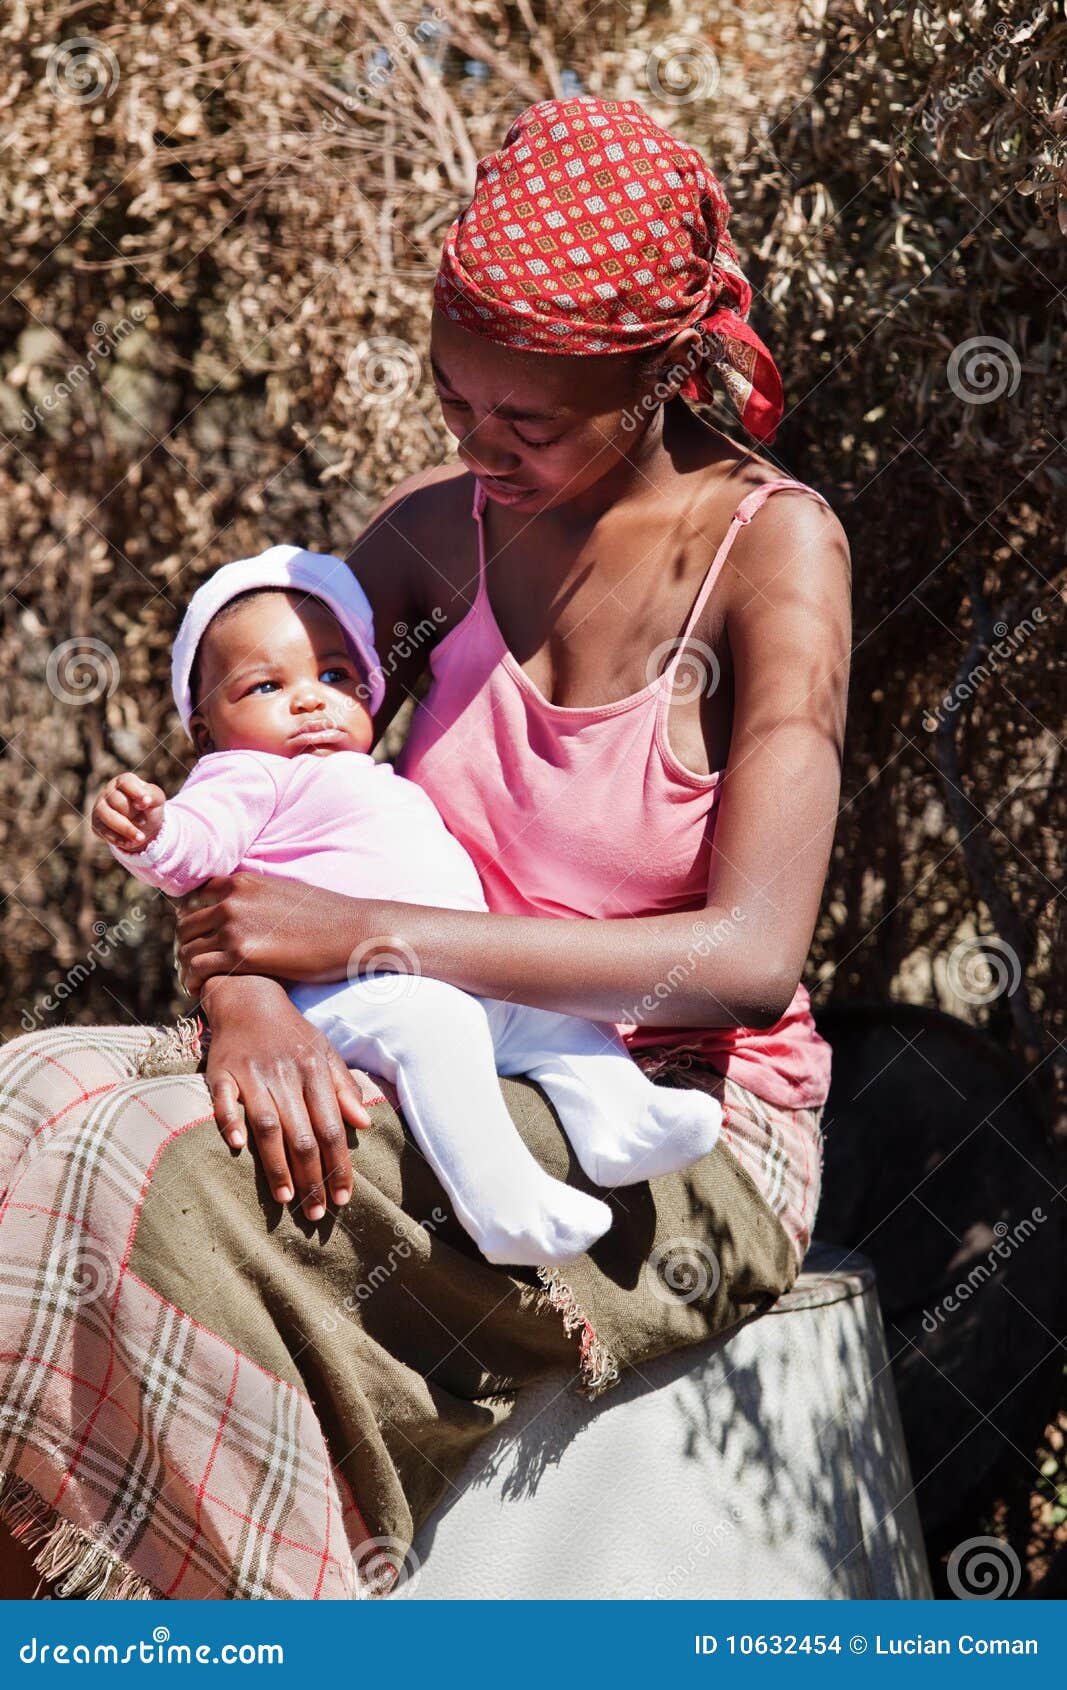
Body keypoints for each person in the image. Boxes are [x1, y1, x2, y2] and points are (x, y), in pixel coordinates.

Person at [0, 95, 850, 1600]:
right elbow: (253, 797)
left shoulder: (769, 552)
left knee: (175, 1180)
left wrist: (360, 938)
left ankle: (266, 1616)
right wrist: (245, 992)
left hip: (671, 1117)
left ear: (656, 375)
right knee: (22, 1097)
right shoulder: (427, 535)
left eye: (525, 418)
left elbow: (743, 957)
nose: (482, 447)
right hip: (420, 1034)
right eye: (456, 404)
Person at [92, 547, 721, 1267]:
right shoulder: (246, 776)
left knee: (551, 1006)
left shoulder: (380, 781)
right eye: (266, 685)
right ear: (205, 730)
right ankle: (504, 1204)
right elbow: (193, 852)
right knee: (436, 1024)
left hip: (441, 969)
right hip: (343, 996)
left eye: (334, 676)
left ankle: (622, 1122)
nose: (309, 698)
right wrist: (150, 829)